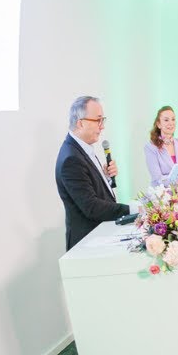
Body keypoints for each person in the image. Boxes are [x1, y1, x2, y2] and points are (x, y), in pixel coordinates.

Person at [55, 96, 135, 250]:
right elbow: (92, 207)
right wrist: (132, 209)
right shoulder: (71, 158)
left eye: (102, 120)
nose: (102, 127)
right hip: (88, 243)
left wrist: (105, 178)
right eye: (98, 120)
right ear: (80, 123)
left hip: (99, 237)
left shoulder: (80, 148)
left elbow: (89, 187)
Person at [142, 105, 178, 186]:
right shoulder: (150, 147)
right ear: (159, 124)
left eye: (173, 119)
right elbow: (157, 178)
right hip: (161, 192)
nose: (171, 123)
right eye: (166, 120)